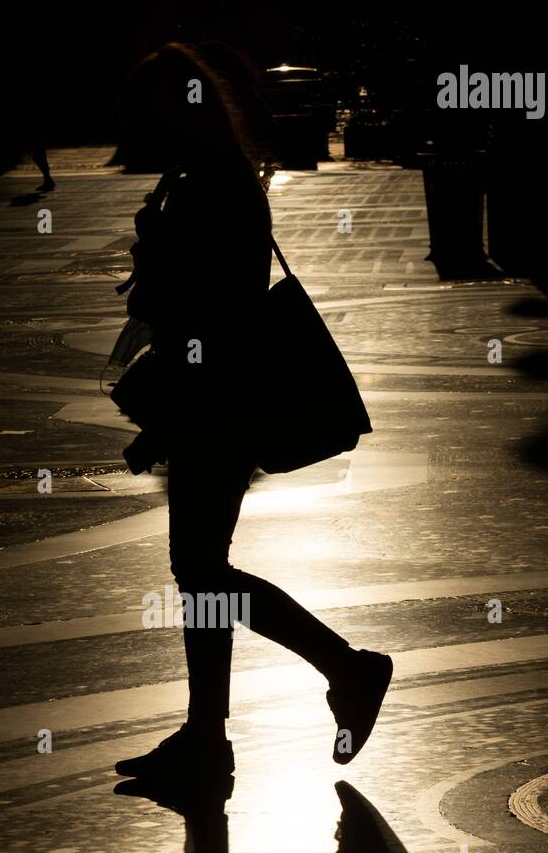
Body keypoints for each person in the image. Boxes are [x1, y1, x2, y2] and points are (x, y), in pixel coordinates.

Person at [114, 44, 392, 790]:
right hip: (212, 395)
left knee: (202, 567)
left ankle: (344, 669)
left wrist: (154, 283)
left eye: (147, 111)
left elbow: (214, 309)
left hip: (219, 401)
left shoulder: (214, 184)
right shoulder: (206, 175)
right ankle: (207, 736)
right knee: (199, 568)